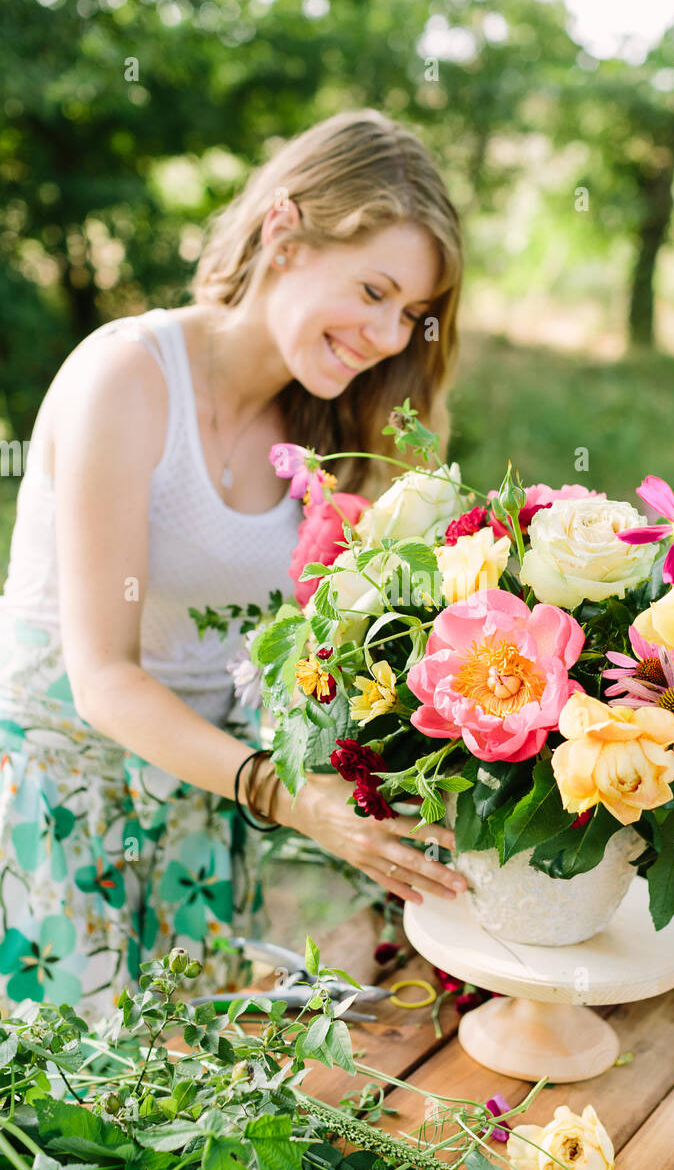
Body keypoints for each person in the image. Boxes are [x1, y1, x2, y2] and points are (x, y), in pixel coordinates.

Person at [0, 109, 467, 1019]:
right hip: (55, 798)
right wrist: (292, 799)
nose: (385, 335)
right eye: (372, 291)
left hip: (203, 809)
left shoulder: (327, 430)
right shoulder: (127, 378)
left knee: (174, 1123)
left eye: (409, 314)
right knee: (52, 1117)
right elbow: (102, 677)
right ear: (283, 229)